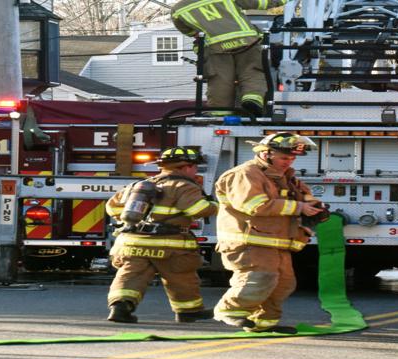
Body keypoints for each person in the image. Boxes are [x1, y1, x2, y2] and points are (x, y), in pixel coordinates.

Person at [211, 133, 325, 334]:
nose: (288, 162)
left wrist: (315, 207)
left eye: (291, 159)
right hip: (249, 241)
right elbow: (254, 206)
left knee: (283, 284)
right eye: (284, 158)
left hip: (276, 242)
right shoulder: (244, 174)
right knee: (259, 277)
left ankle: (264, 322)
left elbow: (304, 196)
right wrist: (298, 207)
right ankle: (229, 310)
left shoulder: (286, 178)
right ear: (266, 154)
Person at [103, 147, 219, 324]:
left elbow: (112, 208)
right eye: (195, 166)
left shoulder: (140, 185)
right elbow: (197, 210)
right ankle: (188, 311)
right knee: (181, 277)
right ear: (185, 167)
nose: (196, 170)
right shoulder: (185, 186)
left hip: (132, 242)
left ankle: (120, 308)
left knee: (130, 276)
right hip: (169, 245)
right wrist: (214, 205)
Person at [172, 0, 283, 117]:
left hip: (216, 47)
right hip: (247, 41)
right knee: (252, 71)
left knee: (219, 80)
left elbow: (189, 31)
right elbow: (260, 2)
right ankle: (252, 100)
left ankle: (220, 113)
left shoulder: (177, 9)